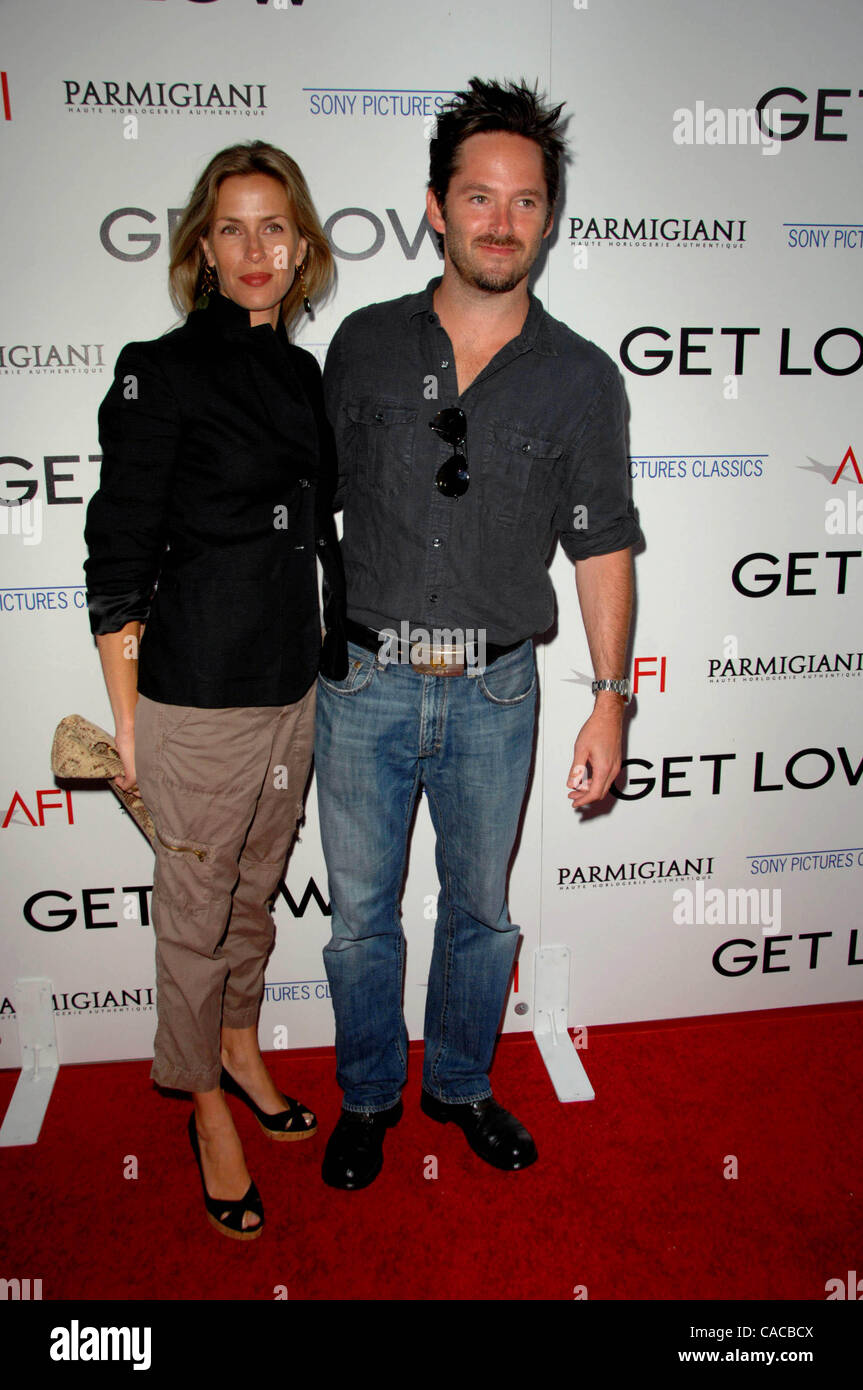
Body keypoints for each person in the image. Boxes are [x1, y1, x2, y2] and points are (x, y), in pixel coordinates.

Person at [316, 78, 641, 1189]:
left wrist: (610, 695)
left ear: (547, 219)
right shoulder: (357, 347)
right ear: (433, 207)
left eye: (524, 202)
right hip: (359, 684)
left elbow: (602, 543)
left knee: (481, 912)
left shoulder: (581, 380)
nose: (501, 222)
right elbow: (300, 517)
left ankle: (457, 1084)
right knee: (359, 920)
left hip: (499, 693)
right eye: (478, 197)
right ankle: (366, 1094)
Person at [84, 141, 346, 1239]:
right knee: (195, 919)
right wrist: (129, 718)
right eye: (232, 228)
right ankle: (202, 1103)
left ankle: (239, 1044)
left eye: (274, 229)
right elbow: (117, 550)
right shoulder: (160, 367)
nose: (255, 250)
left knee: (252, 891)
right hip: (193, 694)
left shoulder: (299, 372)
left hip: (292, 679)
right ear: (200, 244)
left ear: (301, 251)